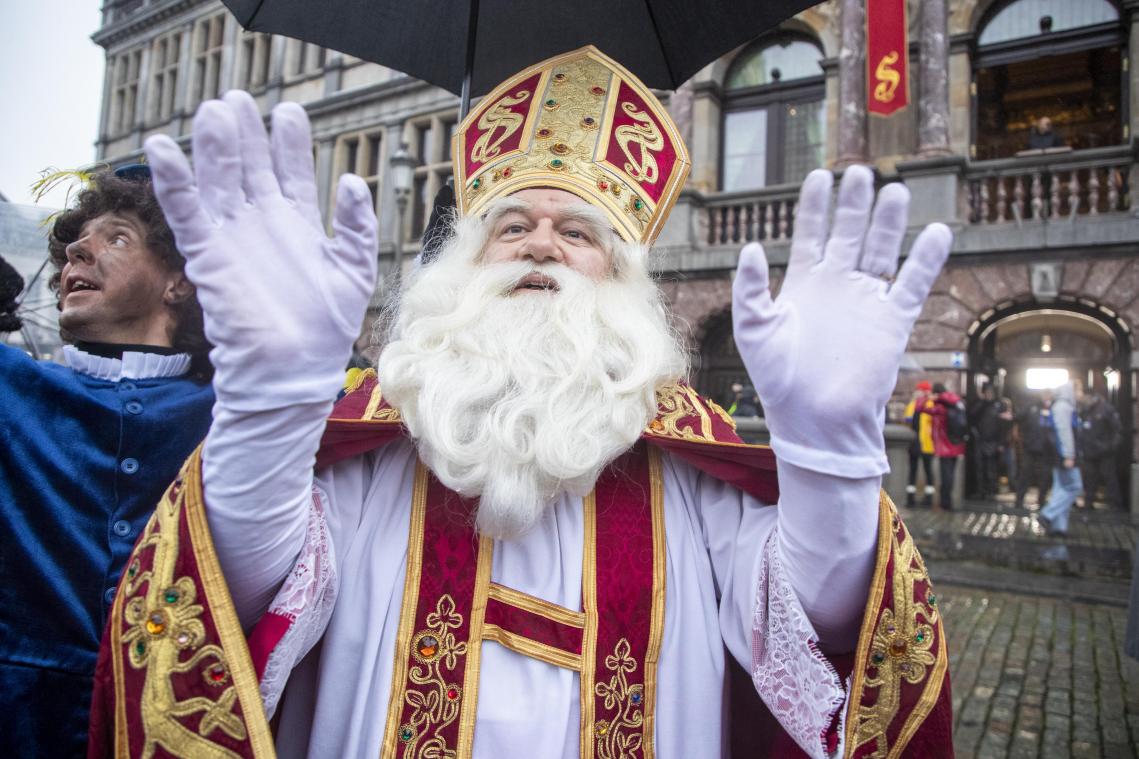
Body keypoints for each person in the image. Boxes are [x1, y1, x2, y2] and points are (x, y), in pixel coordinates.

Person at [89, 48, 954, 758]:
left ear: (622, 280)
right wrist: (269, 404)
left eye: (577, 231)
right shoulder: (380, 429)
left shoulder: (690, 458)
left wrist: (830, 453)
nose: (540, 240)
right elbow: (235, 602)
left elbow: (828, 624)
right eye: (510, 224)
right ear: (462, 265)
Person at [0, 167, 215, 757]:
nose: (78, 252)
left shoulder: (235, 414)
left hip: (176, 726)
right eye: (75, 245)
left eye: (115, 238)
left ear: (179, 280)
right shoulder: (9, 386)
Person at [1038, 381, 1083, 536]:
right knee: (1074, 486)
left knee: (1060, 488)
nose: (1080, 394)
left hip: (1057, 454)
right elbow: (1065, 432)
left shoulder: (1058, 406)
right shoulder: (1064, 407)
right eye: (1079, 390)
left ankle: (1059, 527)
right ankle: (1047, 514)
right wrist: (1069, 455)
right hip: (1064, 454)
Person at [1079, 391, 1122, 510]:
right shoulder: (1085, 410)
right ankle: (1088, 504)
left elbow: (1117, 429)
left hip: (1104, 453)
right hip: (1089, 452)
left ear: (1091, 397)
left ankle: (1115, 506)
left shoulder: (1106, 409)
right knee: (1089, 479)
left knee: (1109, 478)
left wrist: (1109, 447)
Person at [928, 383, 967, 510]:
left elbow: (920, 408)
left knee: (946, 476)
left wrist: (929, 398)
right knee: (951, 475)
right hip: (956, 444)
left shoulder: (940, 408)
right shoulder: (956, 403)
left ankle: (946, 503)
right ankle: (947, 501)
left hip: (945, 446)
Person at [1015, 391, 1054, 508]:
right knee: (1025, 474)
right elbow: (1019, 417)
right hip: (1030, 447)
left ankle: (1042, 500)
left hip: (1046, 449)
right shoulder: (1031, 407)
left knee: (1045, 476)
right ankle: (1019, 500)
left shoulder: (1054, 408)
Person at [968, 384, 1004, 498]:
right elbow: (971, 415)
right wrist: (982, 402)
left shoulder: (999, 405)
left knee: (991, 468)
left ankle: (991, 491)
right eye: (987, 392)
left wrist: (1001, 442)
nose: (989, 395)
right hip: (980, 440)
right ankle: (980, 491)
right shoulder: (980, 405)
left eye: (991, 392)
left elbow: (1004, 425)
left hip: (993, 441)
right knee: (979, 468)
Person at [903, 380, 936, 506]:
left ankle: (929, 498)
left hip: (927, 443)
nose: (921, 393)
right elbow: (907, 420)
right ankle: (910, 497)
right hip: (913, 443)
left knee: (928, 470)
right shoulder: (912, 405)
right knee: (913, 469)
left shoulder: (931, 404)